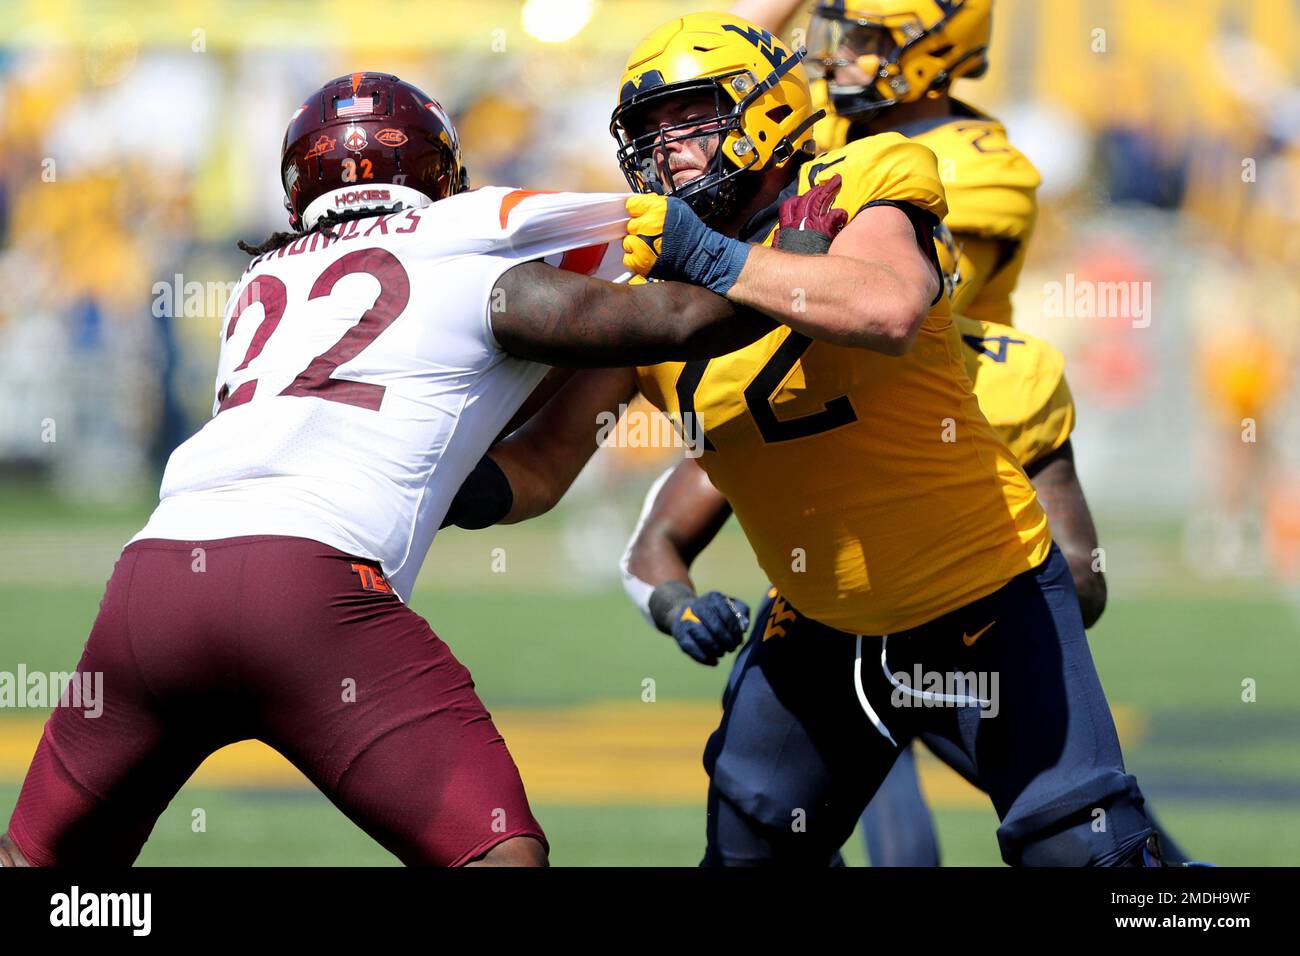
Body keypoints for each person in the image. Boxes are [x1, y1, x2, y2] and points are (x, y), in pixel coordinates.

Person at [0, 71, 770, 868]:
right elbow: (678, 317)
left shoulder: (260, 280)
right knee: (496, 855)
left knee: (42, 863)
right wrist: (799, 258)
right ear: (437, 170)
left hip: (152, 585)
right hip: (308, 591)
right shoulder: (467, 244)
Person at [445, 14, 1161, 866]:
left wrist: (714, 262)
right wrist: (416, 484)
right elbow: (540, 463)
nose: (664, 148)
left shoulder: (862, 173)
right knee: (748, 854)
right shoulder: (651, 286)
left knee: (1091, 860)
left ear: (768, 112)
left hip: (985, 594)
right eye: (646, 129)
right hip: (820, 626)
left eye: (690, 116)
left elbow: (887, 306)